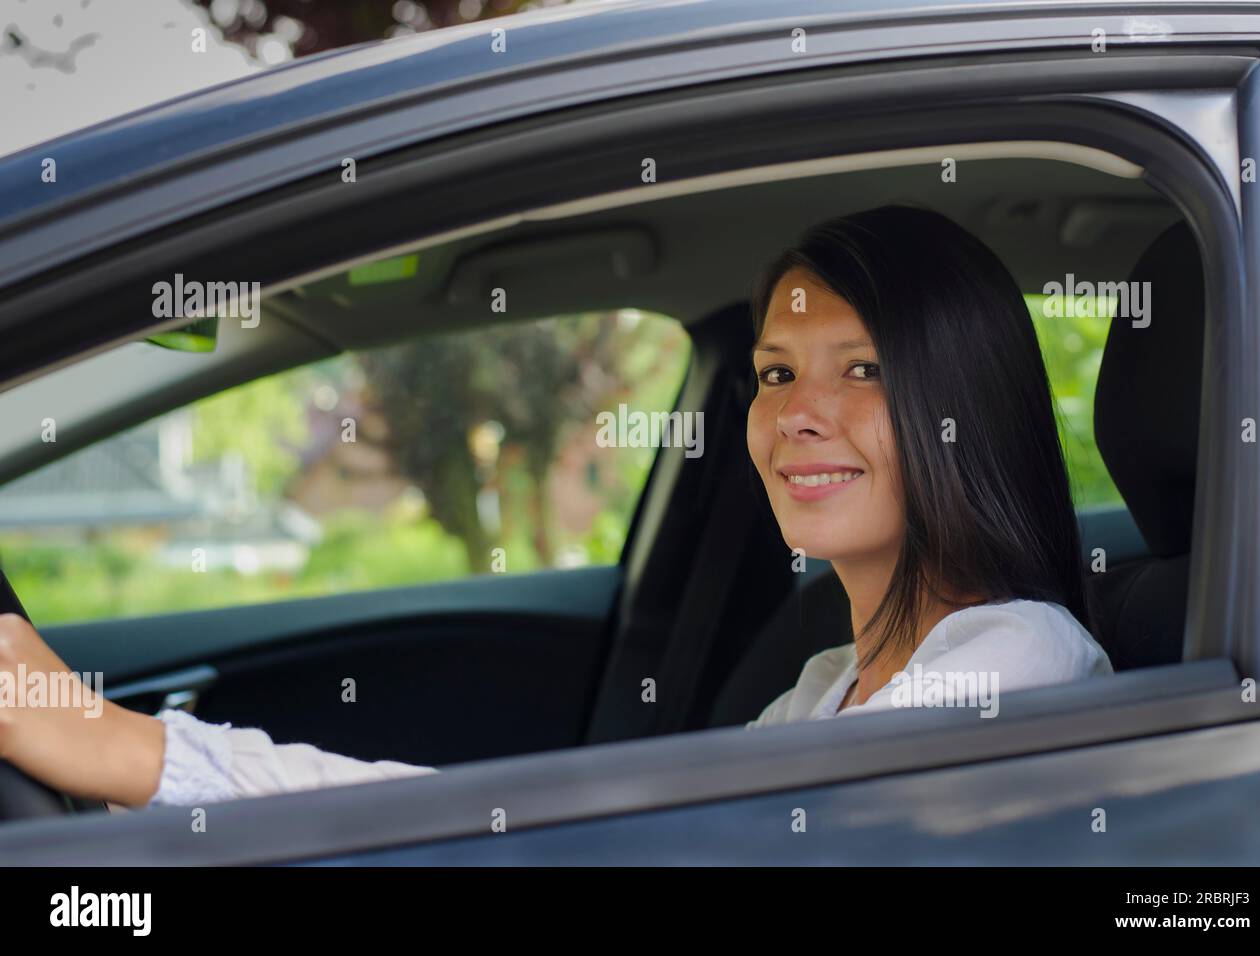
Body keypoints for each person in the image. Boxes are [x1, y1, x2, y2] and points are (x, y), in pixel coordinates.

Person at [0, 205, 1112, 810]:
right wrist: (151, 757)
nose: (799, 413)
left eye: (861, 368)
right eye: (775, 374)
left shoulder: (1015, 659)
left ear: (957, 398)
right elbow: (603, 833)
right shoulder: (824, 690)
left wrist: (141, 751)